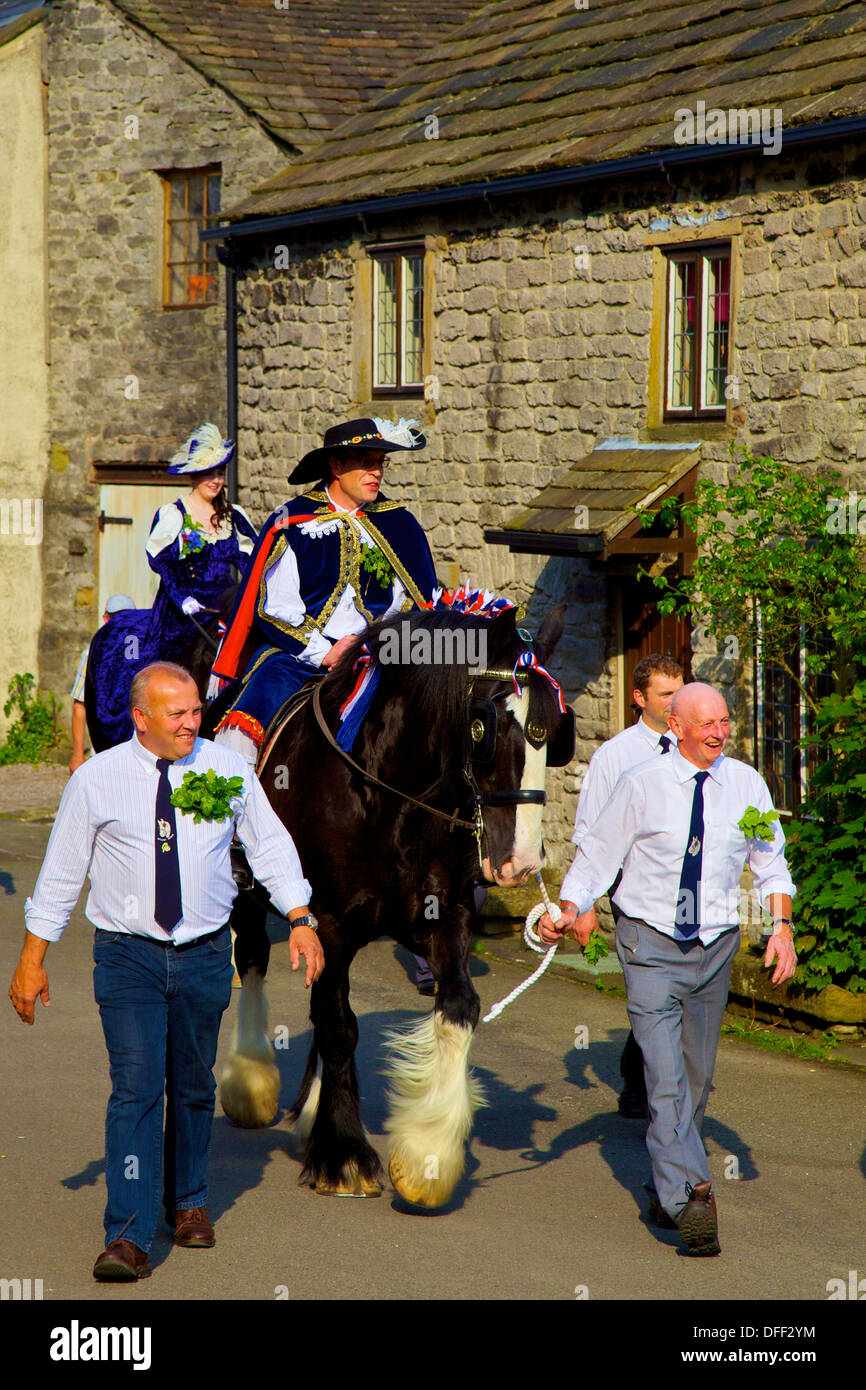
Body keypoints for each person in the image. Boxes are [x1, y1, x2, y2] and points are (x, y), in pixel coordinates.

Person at [9, 662, 324, 1283]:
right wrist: (31, 959)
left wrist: (302, 914)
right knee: (135, 1087)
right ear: (140, 720)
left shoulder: (226, 769)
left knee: (193, 1084)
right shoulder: (96, 780)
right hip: (128, 956)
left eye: (194, 711)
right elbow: (62, 871)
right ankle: (126, 1234)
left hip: (206, 951)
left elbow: (268, 844)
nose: (191, 722)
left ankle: (188, 1200)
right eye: (175, 714)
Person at [540, 682, 796, 1256]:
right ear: (675, 726)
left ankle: (667, 1187)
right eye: (705, 723)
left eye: (724, 721)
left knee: (696, 1076)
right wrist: (570, 907)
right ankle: (695, 1194)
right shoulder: (641, 785)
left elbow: (771, 865)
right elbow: (596, 858)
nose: (718, 732)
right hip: (649, 942)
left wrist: (781, 928)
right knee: (663, 1075)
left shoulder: (746, 787)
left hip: (715, 946)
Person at [211, 416, 438, 766]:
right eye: (366, 463)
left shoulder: (399, 524)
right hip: (297, 657)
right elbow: (275, 606)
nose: (376, 472)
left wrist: (370, 643)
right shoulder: (294, 520)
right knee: (241, 728)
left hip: (375, 656)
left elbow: (411, 603)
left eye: (380, 463)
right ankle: (228, 813)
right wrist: (325, 652)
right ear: (336, 465)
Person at [88, 423, 258, 749]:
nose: (216, 480)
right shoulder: (174, 513)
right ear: (193, 475)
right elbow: (160, 561)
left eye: (220, 472)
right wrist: (182, 598)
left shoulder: (234, 515)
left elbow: (249, 564)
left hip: (223, 604)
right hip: (183, 611)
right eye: (208, 473)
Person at [573, 654, 684, 1117]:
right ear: (639, 698)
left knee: (676, 991)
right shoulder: (614, 757)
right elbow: (587, 832)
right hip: (634, 896)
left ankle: (651, 1072)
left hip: (685, 890)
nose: (677, 701)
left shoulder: (695, 744)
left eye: (681, 690)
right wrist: (581, 905)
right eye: (666, 694)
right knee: (652, 990)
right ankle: (643, 1087)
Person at [69, 594, 135, 773]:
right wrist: (77, 755)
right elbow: (80, 705)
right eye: (117, 618)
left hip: (126, 748)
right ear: (106, 619)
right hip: (111, 748)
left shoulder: (144, 651)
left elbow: (79, 706)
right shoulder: (93, 652)